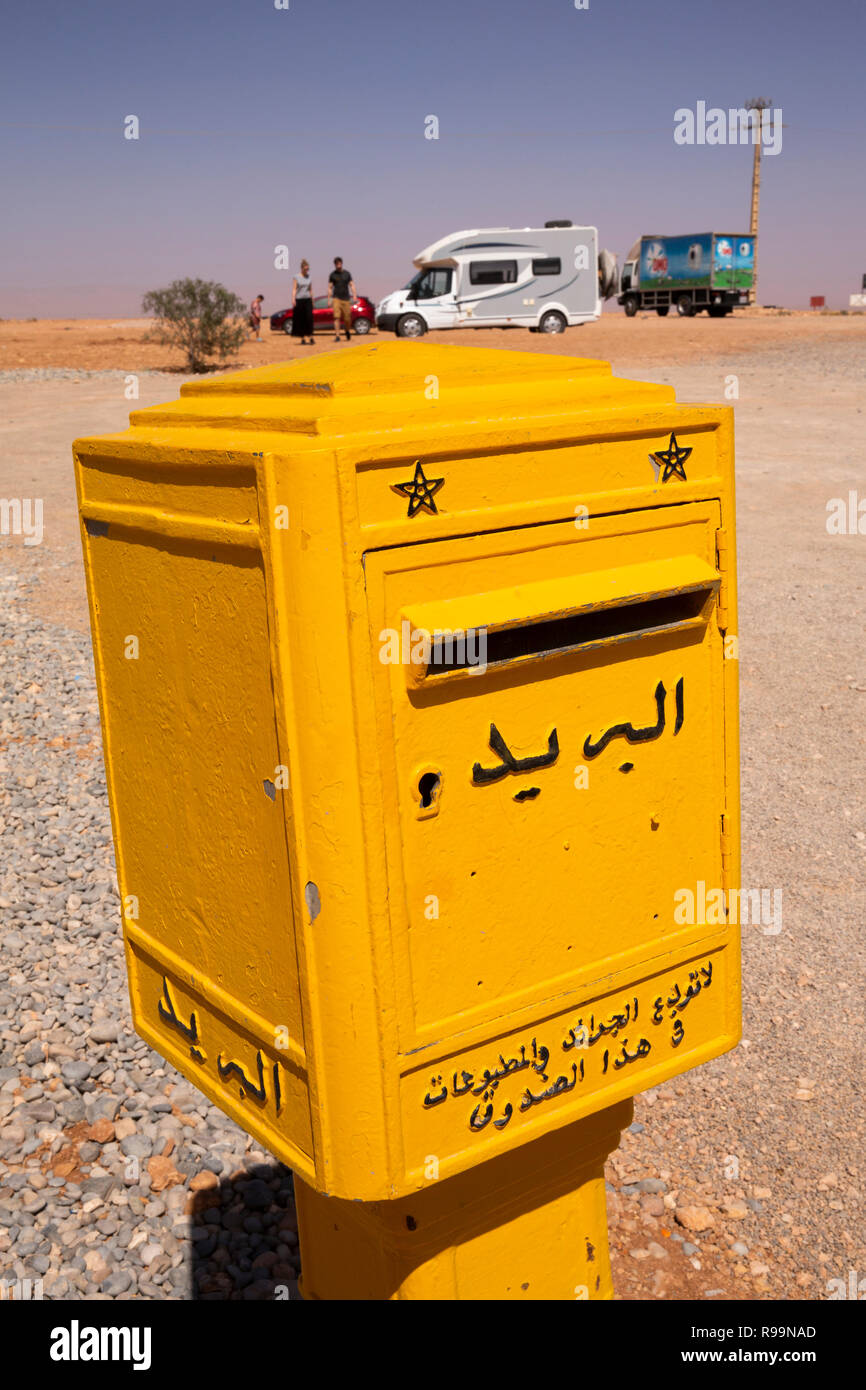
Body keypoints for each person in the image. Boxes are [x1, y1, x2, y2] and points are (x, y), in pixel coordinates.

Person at [328, 257, 355, 342]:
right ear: (335, 265)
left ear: (341, 263)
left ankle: (347, 330)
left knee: (347, 318)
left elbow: (352, 285)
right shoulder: (332, 275)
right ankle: (337, 336)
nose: (338, 265)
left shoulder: (347, 274)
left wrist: (354, 295)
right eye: (336, 264)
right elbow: (329, 288)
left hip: (346, 299)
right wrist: (329, 299)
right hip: (336, 298)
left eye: (339, 263)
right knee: (336, 317)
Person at [291, 261, 314, 345]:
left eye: (308, 269)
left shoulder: (309, 277)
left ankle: (311, 336)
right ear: (302, 268)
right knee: (301, 319)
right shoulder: (296, 277)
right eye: (305, 269)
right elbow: (294, 289)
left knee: (309, 318)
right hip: (299, 300)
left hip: (308, 299)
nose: (307, 271)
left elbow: (310, 290)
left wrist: (312, 299)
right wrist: (293, 299)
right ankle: (303, 338)